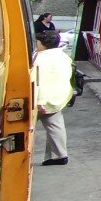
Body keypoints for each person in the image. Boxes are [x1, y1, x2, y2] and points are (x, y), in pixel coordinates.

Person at [34, 30, 74, 166]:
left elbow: (41, 81)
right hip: (59, 97)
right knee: (55, 126)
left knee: (24, 127)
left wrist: (40, 101)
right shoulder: (64, 56)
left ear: (43, 44)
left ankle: (17, 157)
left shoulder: (41, 59)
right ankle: (60, 155)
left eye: (37, 42)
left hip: (42, 100)